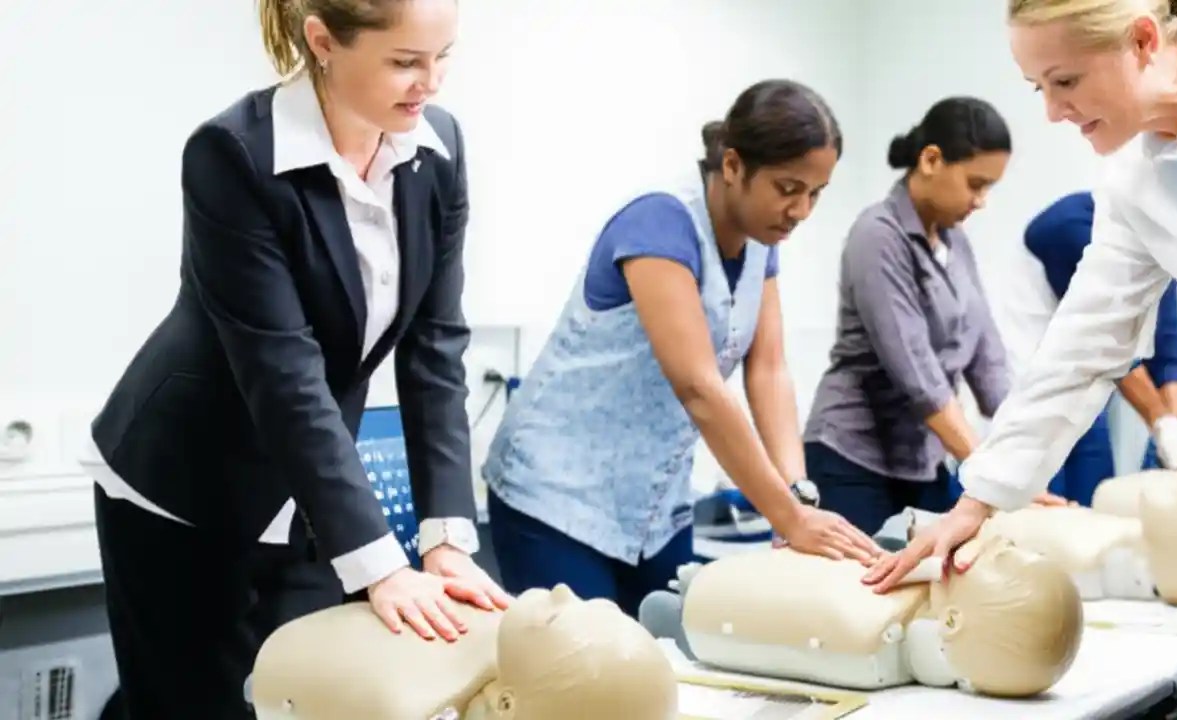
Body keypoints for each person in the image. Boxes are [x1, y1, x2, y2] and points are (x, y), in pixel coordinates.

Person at [83, 1, 508, 717]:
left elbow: (435, 351)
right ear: (322, 41)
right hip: (186, 481)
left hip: (305, 487)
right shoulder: (233, 154)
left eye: (444, 56)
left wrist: (444, 540)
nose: (430, 83)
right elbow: (283, 373)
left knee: (311, 693)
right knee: (189, 704)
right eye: (405, 61)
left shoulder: (439, 151)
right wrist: (381, 566)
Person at [859, 0, 1177, 716]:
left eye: (1065, 81)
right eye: (1038, 90)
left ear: (1143, 41)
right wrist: (979, 498)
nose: (1053, 112)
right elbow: (1087, 341)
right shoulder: (1133, 182)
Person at [481, 79, 881, 618]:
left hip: (653, 511)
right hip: (556, 500)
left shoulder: (762, 244)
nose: (801, 209)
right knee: (584, 673)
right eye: (788, 188)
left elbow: (767, 370)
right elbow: (697, 386)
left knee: (671, 666)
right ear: (734, 165)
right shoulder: (660, 223)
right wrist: (787, 519)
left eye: (815, 193)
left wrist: (797, 494)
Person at [801, 97, 1017, 535]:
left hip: (924, 461)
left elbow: (987, 356)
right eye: (975, 184)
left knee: (933, 587)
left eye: (989, 188)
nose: (981, 201)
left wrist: (1023, 453)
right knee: (858, 594)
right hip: (853, 458)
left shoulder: (956, 243)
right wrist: (990, 474)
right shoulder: (878, 236)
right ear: (931, 159)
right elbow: (918, 374)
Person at [1021, 191, 1177, 504]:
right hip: (1026, 394)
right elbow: (1103, 342)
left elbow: (1167, 349)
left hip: (1084, 394)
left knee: (1093, 507)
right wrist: (1161, 423)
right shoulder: (1071, 227)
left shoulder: (1161, 252)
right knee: (1040, 520)